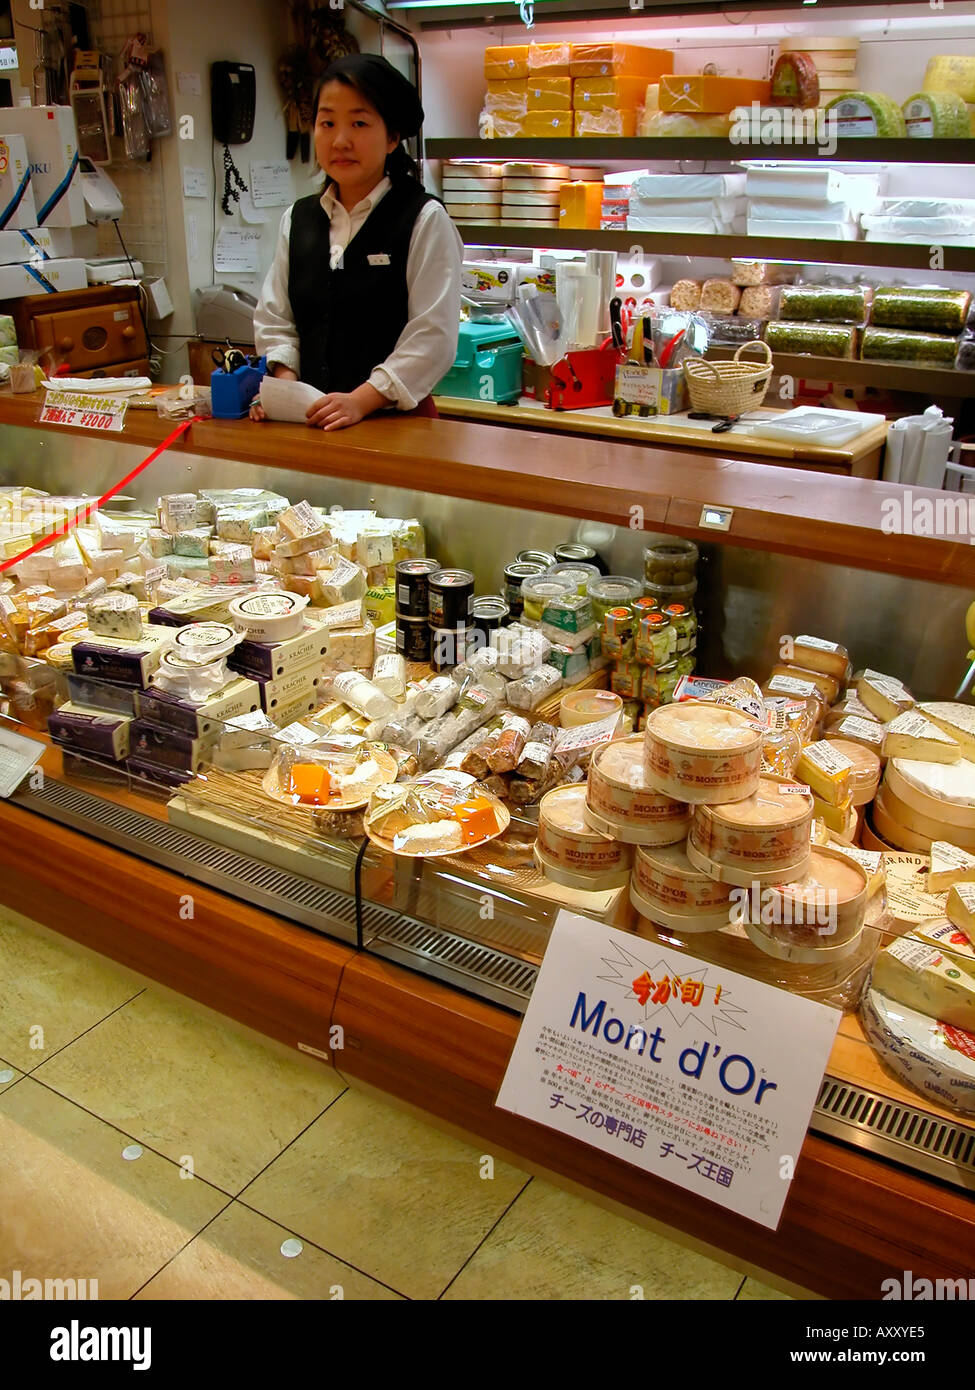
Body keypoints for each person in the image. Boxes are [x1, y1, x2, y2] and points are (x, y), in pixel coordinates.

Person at [251, 52, 462, 431]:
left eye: (360, 123)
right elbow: (276, 319)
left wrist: (362, 400)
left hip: (397, 427)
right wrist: (287, 391)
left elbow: (434, 337)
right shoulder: (298, 219)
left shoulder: (424, 218)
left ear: (393, 136)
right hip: (313, 425)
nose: (341, 140)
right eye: (327, 122)